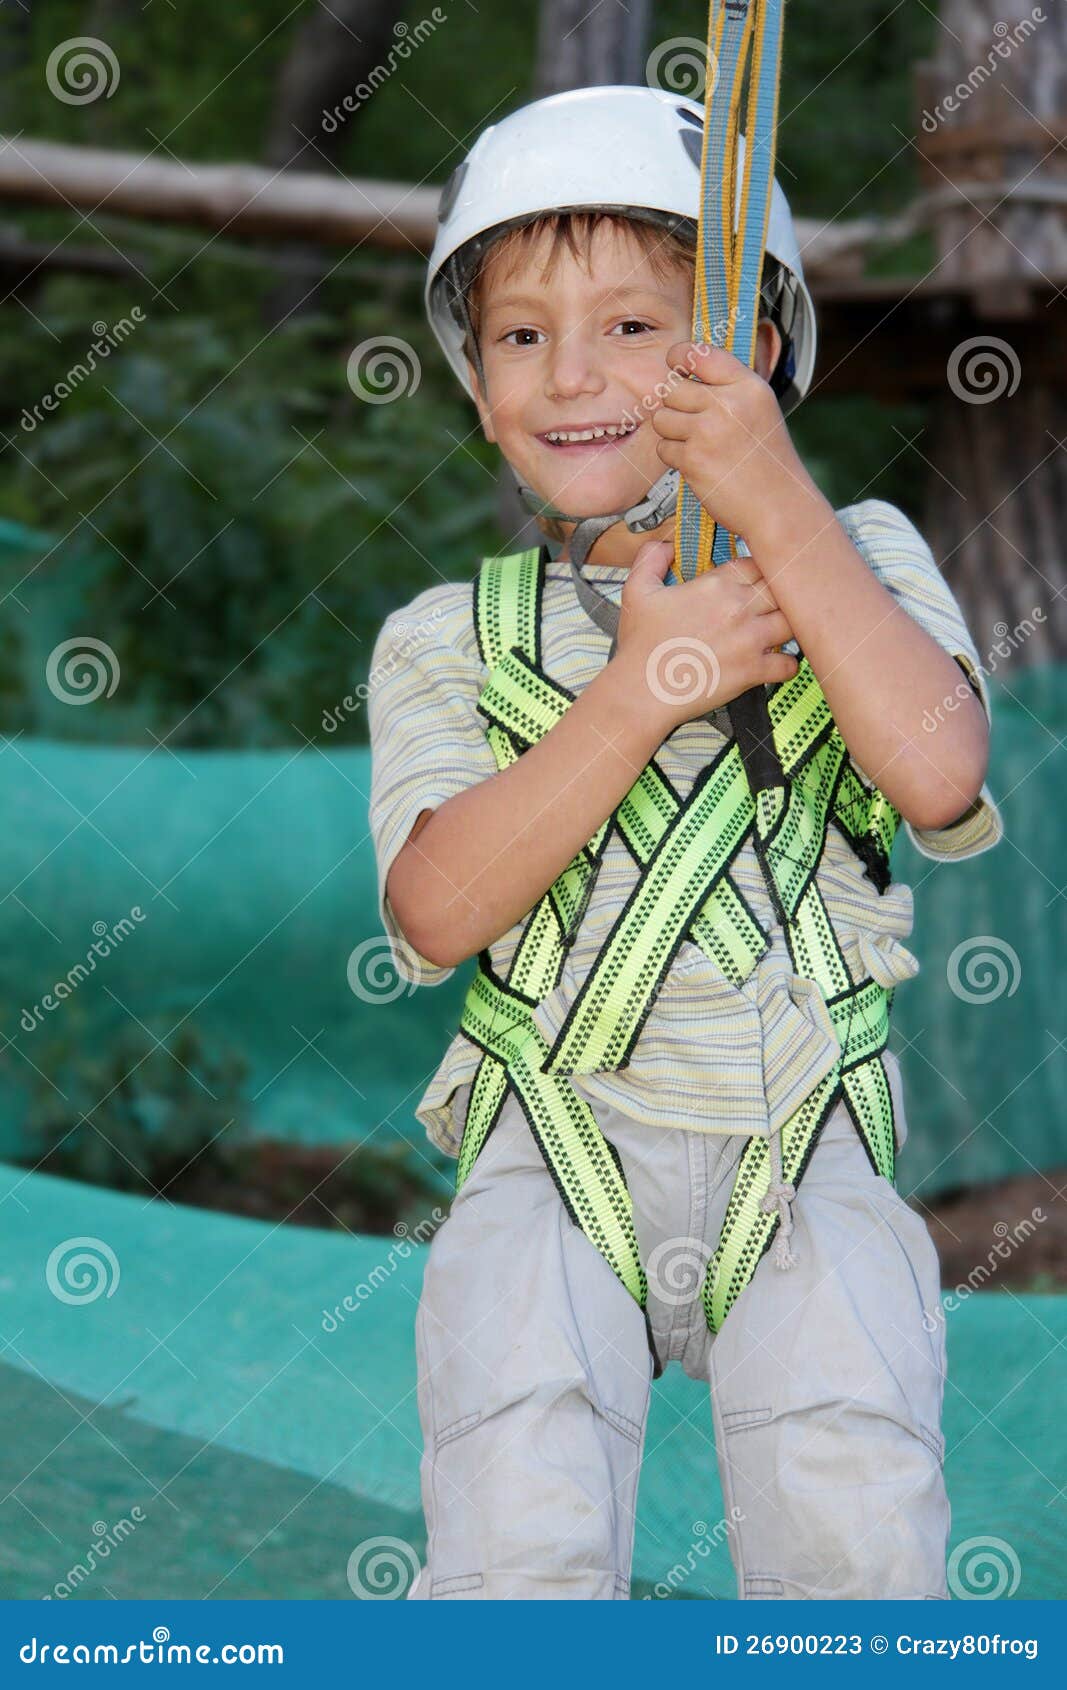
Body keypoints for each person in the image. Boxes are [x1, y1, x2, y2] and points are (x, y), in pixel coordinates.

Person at [367, 86, 1004, 1601]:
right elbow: (438, 911)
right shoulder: (451, 638)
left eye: (637, 327)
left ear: (750, 353)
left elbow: (935, 773)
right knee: (513, 1528)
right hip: (551, 1142)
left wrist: (773, 498)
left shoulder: (855, 561)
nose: (572, 375)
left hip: (804, 1141)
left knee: (854, 1526)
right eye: (522, 335)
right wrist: (641, 689)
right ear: (476, 383)